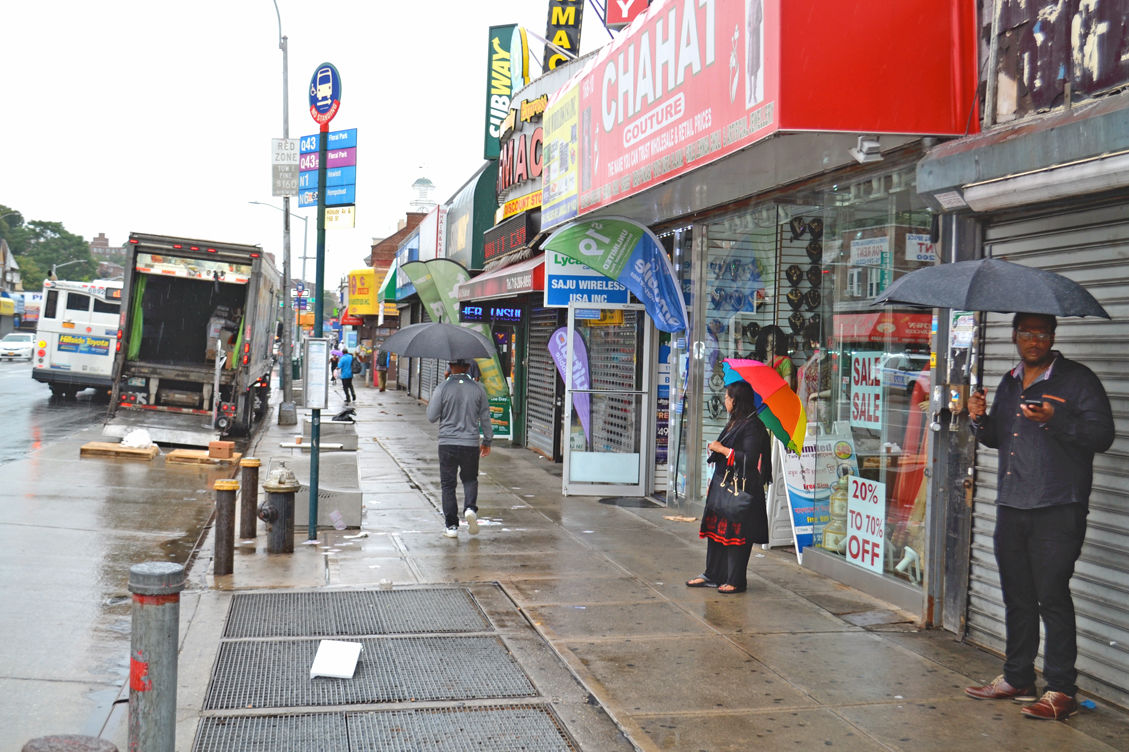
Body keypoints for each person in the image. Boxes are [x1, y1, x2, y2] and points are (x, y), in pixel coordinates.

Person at [964, 313, 1113, 721]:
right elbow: (998, 438)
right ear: (1014, 337)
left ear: (1052, 337)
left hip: (1058, 505)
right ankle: (1018, 677)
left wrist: (1056, 419)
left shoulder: (1078, 380)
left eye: (1042, 334)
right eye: (1027, 333)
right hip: (1013, 504)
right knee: (1018, 597)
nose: (1034, 340)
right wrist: (979, 418)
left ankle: (1062, 690)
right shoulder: (1010, 381)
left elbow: (1103, 436)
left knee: (1052, 596)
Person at [686, 380, 771, 594]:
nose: (724, 400)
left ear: (735, 400)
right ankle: (712, 575)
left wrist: (722, 449)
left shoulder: (753, 426)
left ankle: (735, 580)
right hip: (723, 485)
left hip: (740, 490)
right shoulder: (735, 422)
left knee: (737, 538)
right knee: (716, 535)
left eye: (727, 397)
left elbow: (749, 460)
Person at [427, 359, 492, 538]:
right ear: (469, 366)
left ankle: (452, 527)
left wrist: (439, 393)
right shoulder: (478, 389)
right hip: (470, 443)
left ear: (450, 366)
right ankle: (470, 508)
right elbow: (485, 417)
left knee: (448, 484)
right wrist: (487, 441)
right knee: (470, 479)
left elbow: (431, 416)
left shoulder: (443, 388)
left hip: (447, 443)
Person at [754, 324, 794, 389]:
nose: (769, 345)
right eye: (767, 342)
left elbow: (788, 388)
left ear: (778, 342)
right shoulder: (761, 364)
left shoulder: (784, 362)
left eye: (773, 342)